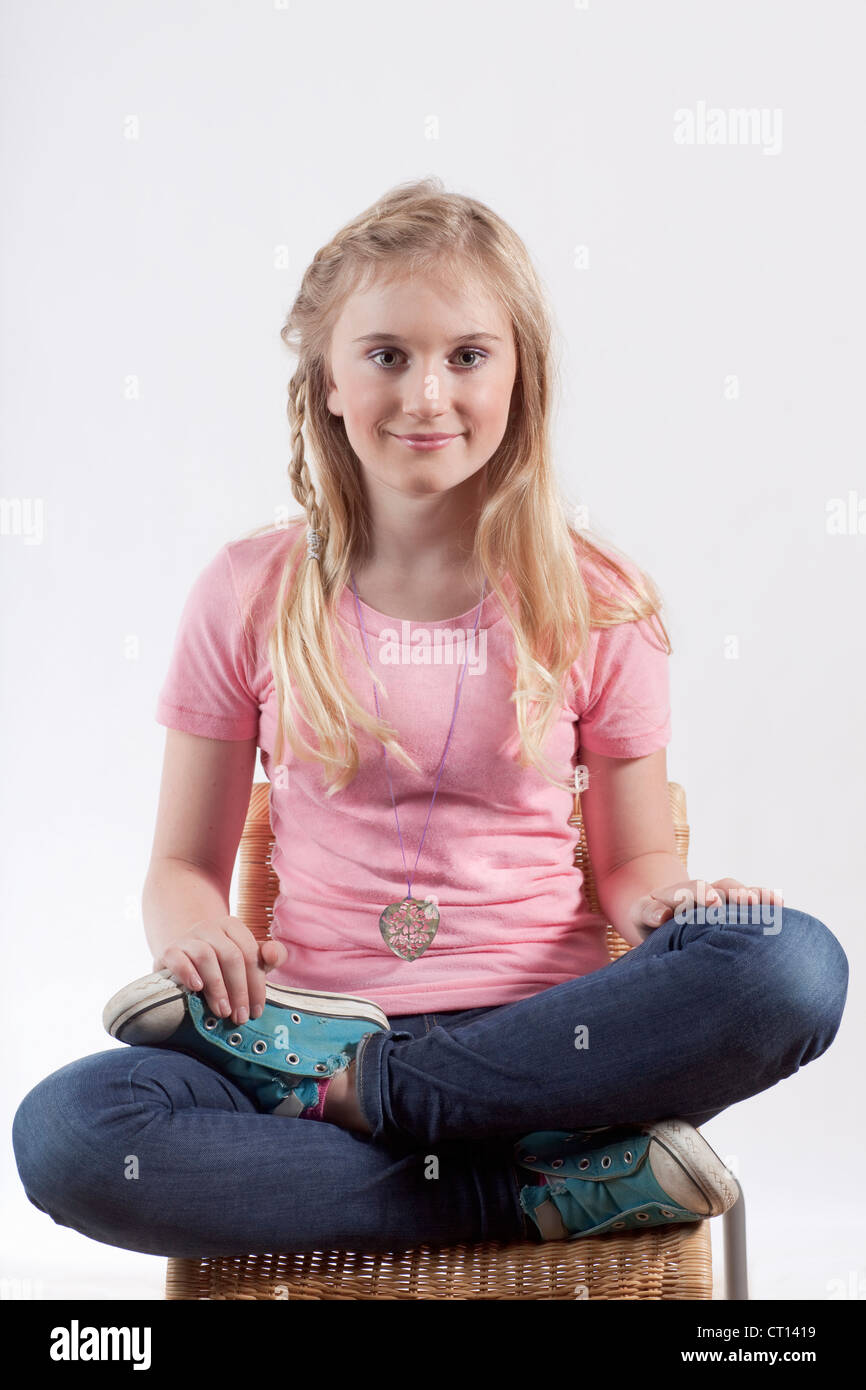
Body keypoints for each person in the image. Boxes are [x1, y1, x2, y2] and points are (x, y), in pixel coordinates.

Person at [12, 178, 849, 1260]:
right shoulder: (246, 590)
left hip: (548, 1047)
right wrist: (193, 933)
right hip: (298, 1027)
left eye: (465, 355)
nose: (425, 394)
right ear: (324, 380)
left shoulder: (598, 598)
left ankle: (376, 1095)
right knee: (72, 1134)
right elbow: (179, 864)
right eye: (385, 354)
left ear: (518, 376)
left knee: (790, 964)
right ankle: (527, 1192)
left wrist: (682, 907)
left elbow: (632, 866)